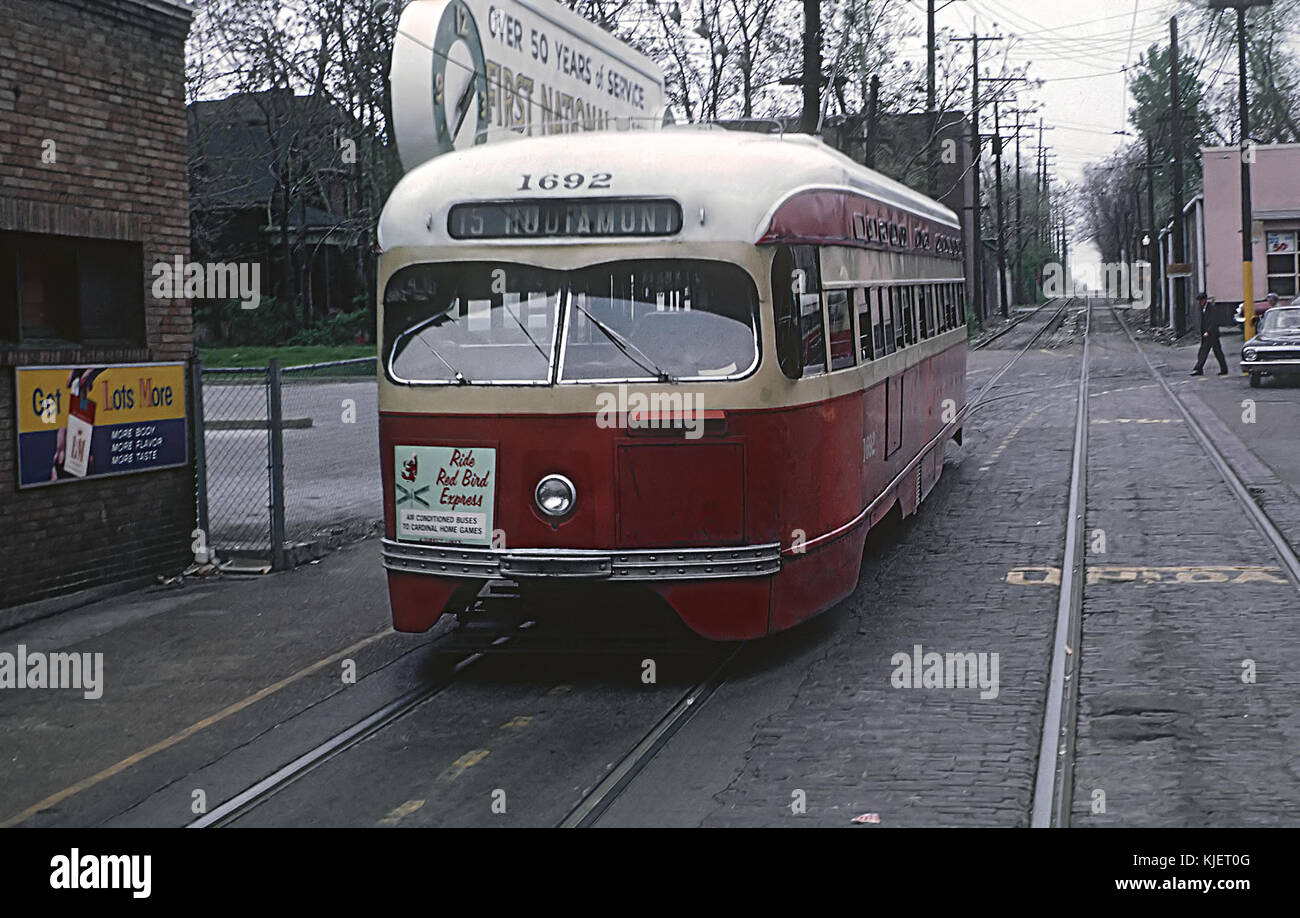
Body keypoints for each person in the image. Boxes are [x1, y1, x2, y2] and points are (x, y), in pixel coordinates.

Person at [1191, 292, 1228, 376]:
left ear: (1204, 300)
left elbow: (1213, 321)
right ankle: (1198, 369)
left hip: (1212, 334)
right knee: (1203, 352)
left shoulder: (1211, 308)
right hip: (1206, 334)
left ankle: (1223, 369)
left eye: (1201, 300)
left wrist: (1208, 331)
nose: (1200, 302)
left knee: (1216, 352)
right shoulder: (1202, 308)